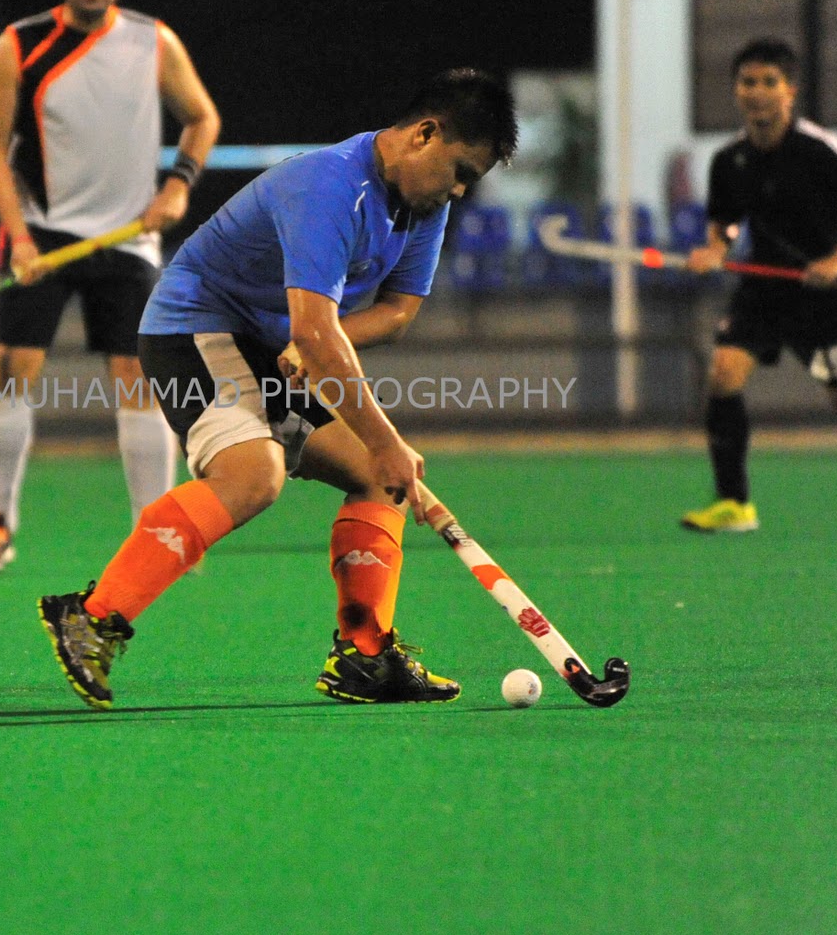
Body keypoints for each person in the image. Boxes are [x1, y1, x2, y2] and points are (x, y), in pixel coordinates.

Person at [36, 68, 519, 709]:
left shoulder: (422, 203)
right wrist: (382, 432)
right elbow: (317, 338)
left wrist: (320, 344)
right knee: (253, 475)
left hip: (264, 348)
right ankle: (92, 616)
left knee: (379, 480)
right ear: (425, 135)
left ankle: (365, 657)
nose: (459, 190)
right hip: (192, 329)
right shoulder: (330, 186)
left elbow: (398, 313)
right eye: (461, 170)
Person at [0, 0, 221, 571]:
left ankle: (156, 531)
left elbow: (201, 116)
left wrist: (179, 186)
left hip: (129, 238)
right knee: (10, 373)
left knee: (139, 380)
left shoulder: (152, 40)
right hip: (41, 236)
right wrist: (18, 237)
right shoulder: (19, 44)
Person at [681, 37, 837, 538]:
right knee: (723, 374)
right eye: (748, 82)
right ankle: (734, 502)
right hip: (762, 292)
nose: (757, 92)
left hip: (823, 298)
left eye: (769, 82)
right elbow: (725, 222)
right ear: (737, 90)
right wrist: (716, 250)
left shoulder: (819, 149)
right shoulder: (729, 161)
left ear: (790, 91)